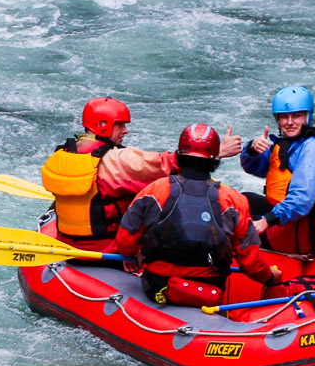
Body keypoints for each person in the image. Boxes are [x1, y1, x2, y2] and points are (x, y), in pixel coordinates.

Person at [114, 123, 284, 308]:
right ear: (214, 160)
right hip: (209, 290)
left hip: (157, 286)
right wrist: (270, 277)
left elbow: (125, 241)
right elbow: (250, 261)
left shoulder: (154, 190)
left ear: (180, 155)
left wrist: (132, 253)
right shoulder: (234, 200)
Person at [40, 97, 240, 248]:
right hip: (108, 249)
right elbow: (166, 165)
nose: (125, 131)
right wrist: (216, 152)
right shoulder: (117, 160)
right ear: (102, 125)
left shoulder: (61, 154)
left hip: (66, 243)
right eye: (120, 125)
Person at [238, 85, 315, 256]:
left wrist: (266, 220)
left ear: (308, 116)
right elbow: (254, 168)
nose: (289, 122)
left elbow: (302, 199)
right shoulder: (291, 142)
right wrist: (252, 149)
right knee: (242, 200)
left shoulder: (313, 148)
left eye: (297, 116)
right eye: (284, 117)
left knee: (231, 223)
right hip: (292, 223)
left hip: (298, 235)